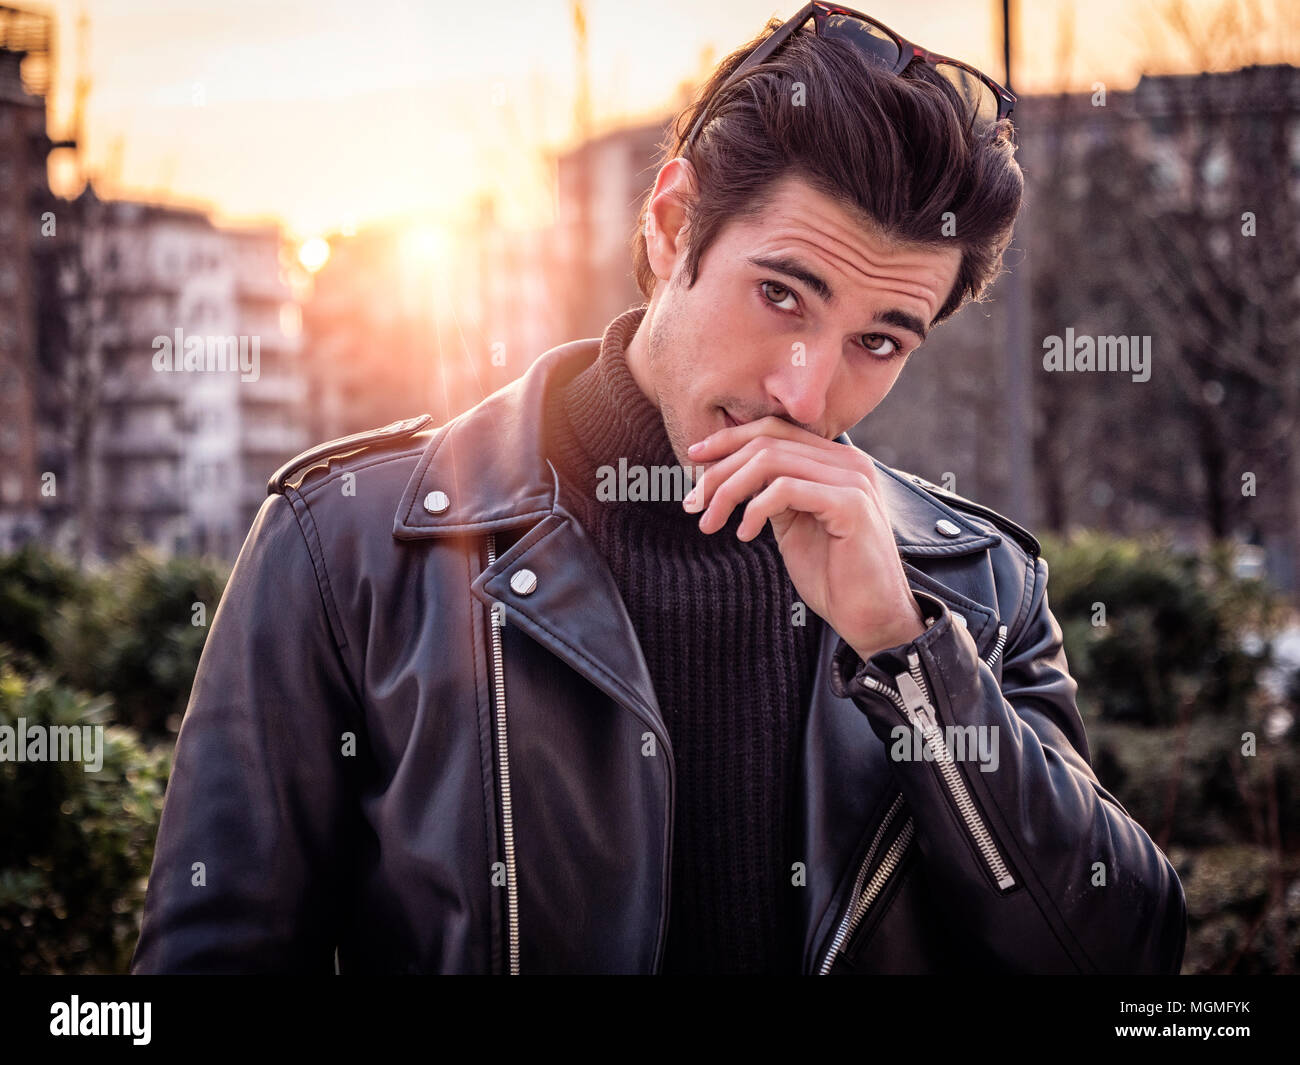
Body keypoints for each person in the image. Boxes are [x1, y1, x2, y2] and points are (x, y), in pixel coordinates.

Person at [131, 3, 1186, 975]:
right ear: (673, 224)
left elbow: (1123, 958)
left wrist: (907, 655)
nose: (804, 388)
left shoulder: (976, 586)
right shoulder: (346, 546)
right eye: (780, 293)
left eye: (877, 339)